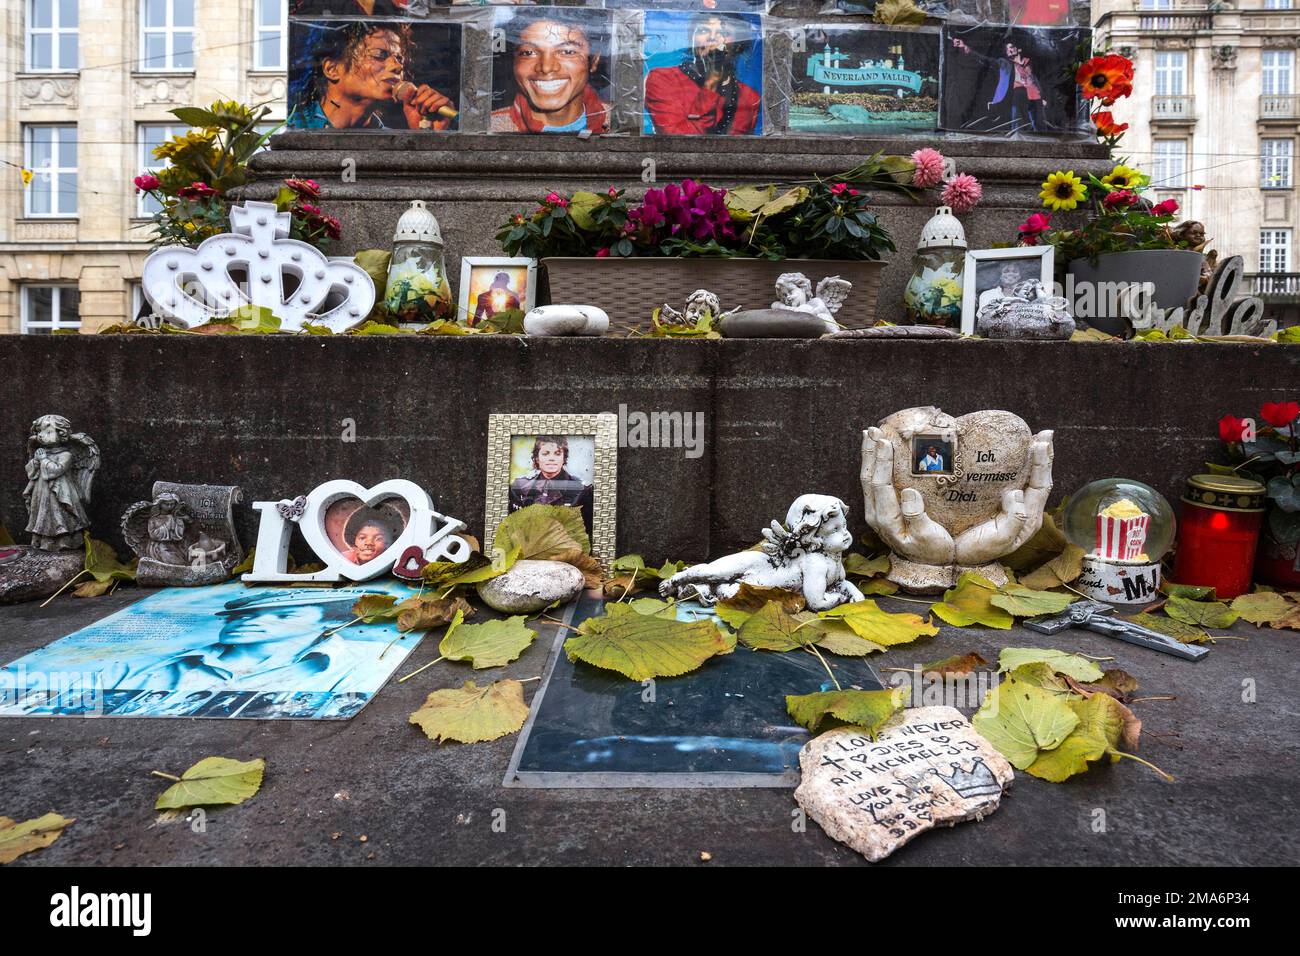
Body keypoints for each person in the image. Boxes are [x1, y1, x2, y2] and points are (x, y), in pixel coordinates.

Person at [100, 591, 375, 695]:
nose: (249, 622)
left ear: (327, 622)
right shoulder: (134, 669)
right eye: (243, 615)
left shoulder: (358, 665)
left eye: (283, 615)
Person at [289, 21, 454, 130]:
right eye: (379, 54)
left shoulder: (392, 142)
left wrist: (426, 138)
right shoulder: (292, 126)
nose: (397, 66)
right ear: (332, 69)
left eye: (399, 58)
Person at [491, 10, 611, 133]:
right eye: (528, 52)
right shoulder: (492, 128)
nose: (546, 67)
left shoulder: (619, 122)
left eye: (567, 52)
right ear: (514, 62)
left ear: (594, 60)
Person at [644, 13, 761, 135]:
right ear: (692, 39)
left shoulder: (750, 97)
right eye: (704, 30)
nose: (712, 38)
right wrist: (711, 83)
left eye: (724, 33)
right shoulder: (663, 80)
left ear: (738, 45)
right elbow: (677, 141)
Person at [950, 36, 1048, 133]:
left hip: (1035, 97)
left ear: (1019, 49)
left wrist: (1042, 97)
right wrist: (968, 50)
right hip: (1019, 97)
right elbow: (986, 60)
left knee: (1040, 128)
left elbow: (1035, 81)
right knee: (1019, 127)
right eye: (1007, 49)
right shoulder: (1005, 64)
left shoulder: (1029, 64)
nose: (1008, 50)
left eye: (1011, 47)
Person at [508, 436, 594, 532]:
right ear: (537, 458)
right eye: (545, 454)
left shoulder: (583, 491)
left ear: (564, 457)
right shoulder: (519, 488)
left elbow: (589, 534)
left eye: (557, 454)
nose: (551, 458)